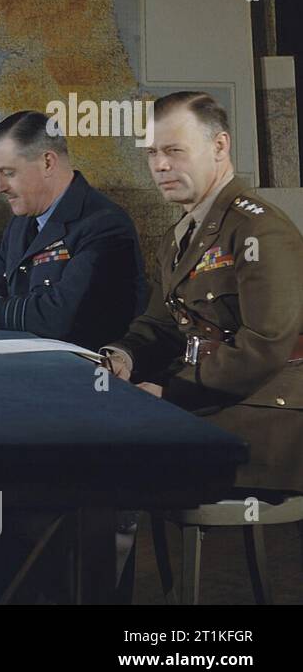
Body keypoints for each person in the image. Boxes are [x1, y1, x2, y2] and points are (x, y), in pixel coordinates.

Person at [102, 91, 303, 492]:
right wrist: (122, 357)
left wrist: (169, 391)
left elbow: (263, 346)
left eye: (175, 150)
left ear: (219, 146)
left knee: (106, 451)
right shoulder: (178, 237)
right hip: (208, 396)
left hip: (266, 415)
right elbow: (160, 324)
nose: (160, 165)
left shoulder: (258, 229)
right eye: (152, 153)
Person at [0, 110, 146, 350]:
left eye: (8, 173)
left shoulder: (104, 225)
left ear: (47, 162)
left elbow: (59, 316)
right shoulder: (25, 220)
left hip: (84, 371)